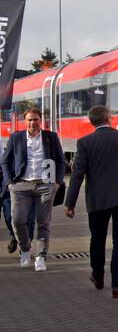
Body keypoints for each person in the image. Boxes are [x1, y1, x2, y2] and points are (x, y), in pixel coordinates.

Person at [63, 106, 118, 296]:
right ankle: (117, 284)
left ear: (92, 122)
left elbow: (77, 175)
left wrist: (70, 203)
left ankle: (98, 276)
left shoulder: (84, 142)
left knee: (97, 239)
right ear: (109, 118)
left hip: (97, 199)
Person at [1, 107, 65, 272]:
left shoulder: (51, 137)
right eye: (29, 120)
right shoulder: (16, 138)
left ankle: (41, 257)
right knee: (17, 221)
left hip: (45, 185)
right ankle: (25, 249)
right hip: (21, 185)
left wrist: (57, 181)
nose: (33, 123)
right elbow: (5, 161)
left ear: (40, 120)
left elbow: (60, 160)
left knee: (43, 223)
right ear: (25, 121)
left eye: (35, 119)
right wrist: (9, 183)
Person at [1, 158, 35, 254]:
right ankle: (15, 236)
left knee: (30, 219)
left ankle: (26, 246)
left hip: (30, 183)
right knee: (8, 216)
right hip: (8, 184)